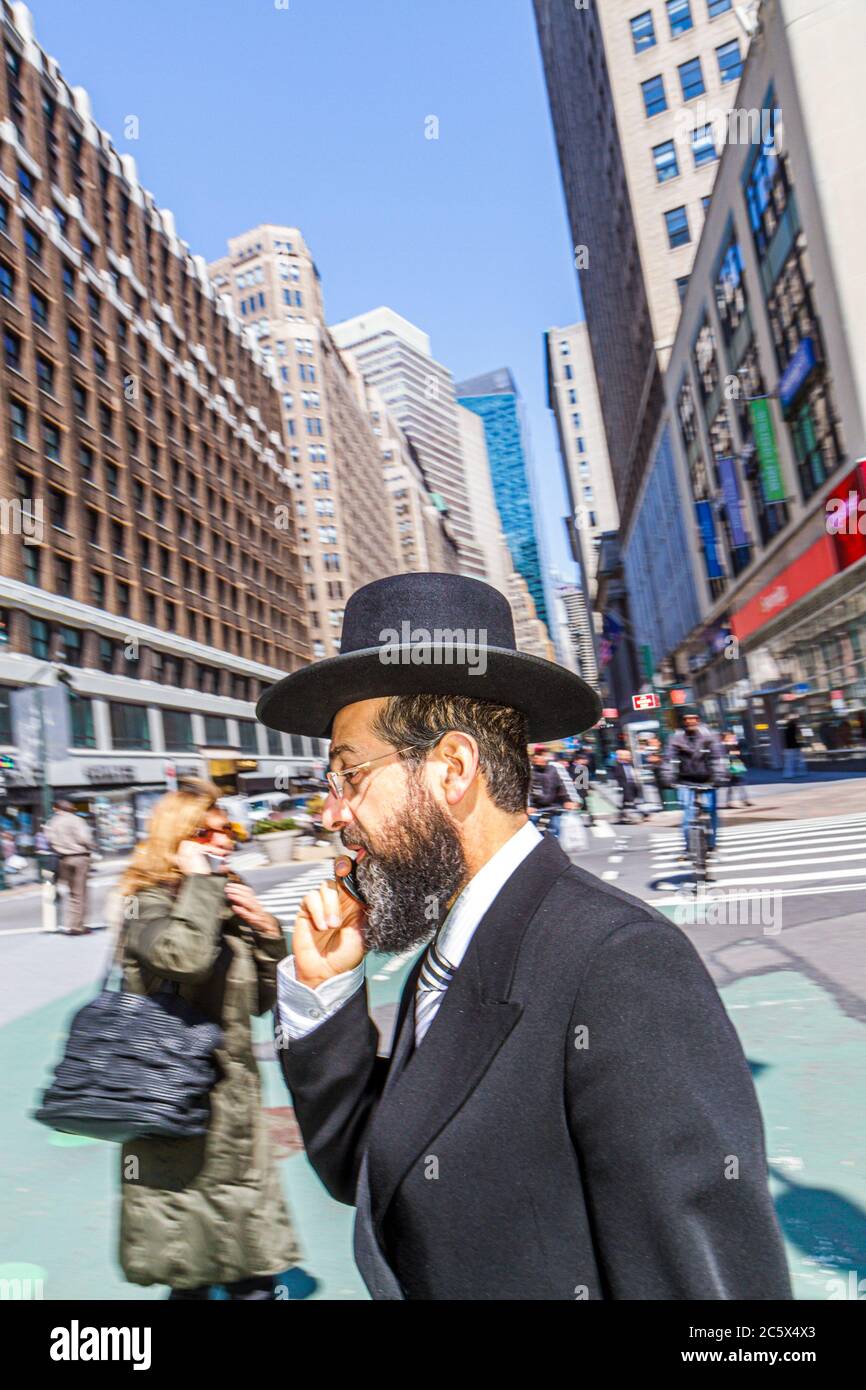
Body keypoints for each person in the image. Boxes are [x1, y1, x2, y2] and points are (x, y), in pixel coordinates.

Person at [262, 572, 791, 1301]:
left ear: (452, 769)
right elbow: (371, 1162)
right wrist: (324, 991)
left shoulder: (620, 965)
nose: (331, 813)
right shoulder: (455, 944)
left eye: (349, 775)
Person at [114, 778, 308, 1300]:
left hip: (236, 1110)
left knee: (247, 1262)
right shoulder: (144, 906)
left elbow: (260, 1003)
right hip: (175, 1105)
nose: (225, 842)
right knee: (193, 1266)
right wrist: (201, 886)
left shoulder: (221, 902)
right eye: (209, 832)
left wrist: (267, 934)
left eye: (231, 831)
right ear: (176, 838)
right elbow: (184, 957)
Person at [663, 711, 728, 854]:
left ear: (698, 720)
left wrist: (719, 776)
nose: (690, 721)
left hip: (708, 780)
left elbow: (718, 758)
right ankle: (689, 848)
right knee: (688, 813)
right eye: (687, 718)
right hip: (685, 780)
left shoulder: (710, 736)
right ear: (683, 721)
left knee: (711, 810)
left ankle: (712, 844)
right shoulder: (676, 738)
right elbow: (668, 759)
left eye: (693, 718)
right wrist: (667, 776)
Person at [44, 799, 94, 935]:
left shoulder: (52, 823)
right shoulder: (76, 820)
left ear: (57, 809)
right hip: (79, 857)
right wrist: (91, 847)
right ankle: (78, 926)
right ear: (70, 809)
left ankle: (71, 924)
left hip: (63, 859)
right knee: (80, 893)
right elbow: (84, 838)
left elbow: (49, 840)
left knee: (71, 892)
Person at [527, 744, 575, 838]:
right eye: (536, 755)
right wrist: (528, 806)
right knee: (539, 836)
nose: (539, 757)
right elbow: (526, 791)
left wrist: (567, 800)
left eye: (542, 754)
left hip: (554, 809)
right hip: (537, 811)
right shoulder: (530, 772)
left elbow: (561, 786)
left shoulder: (553, 769)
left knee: (555, 834)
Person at [609, 748, 648, 824]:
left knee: (628, 803)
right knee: (628, 802)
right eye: (627, 755)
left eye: (629, 755)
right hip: (623, 786)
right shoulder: (616, 766)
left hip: (633, 785)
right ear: (620, 757)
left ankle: (622, 816)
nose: (630, 757)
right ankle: (635, 816)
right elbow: (615, 777)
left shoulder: (632, 764)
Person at [723, 731, 753, 807]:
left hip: (737, 766)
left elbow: (739, 755)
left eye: (732, 737)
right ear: (725, 738)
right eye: (730, 737)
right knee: (731, 787)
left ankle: (744, 800)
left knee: (741, 784)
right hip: (730, 768)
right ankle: (729, 802)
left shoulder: (734, 745)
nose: (732, 738)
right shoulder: (724, 746)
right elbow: (725, 757)